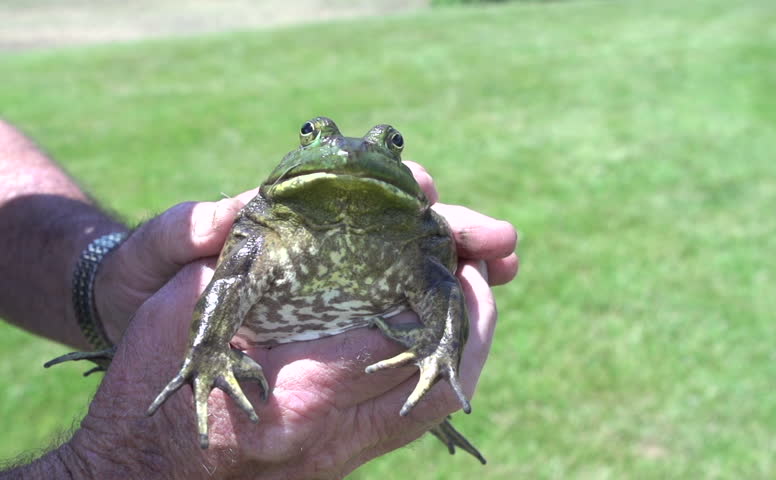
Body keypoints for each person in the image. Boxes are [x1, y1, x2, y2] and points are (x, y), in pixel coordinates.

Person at [0, 120, 519, 479]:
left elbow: (440, 289)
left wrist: (438, 355)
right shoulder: (268, 225)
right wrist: (127, 466)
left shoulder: (413, 232)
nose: (347, 154)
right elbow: (229, 284)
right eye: (312, 135)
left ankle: (426, 394)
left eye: (391, 145)